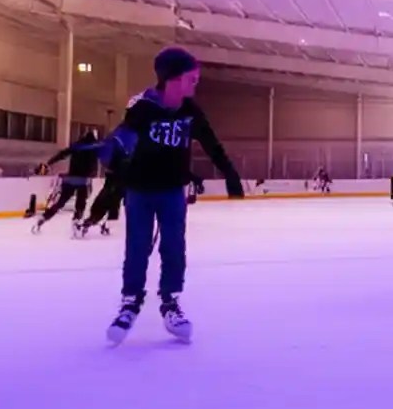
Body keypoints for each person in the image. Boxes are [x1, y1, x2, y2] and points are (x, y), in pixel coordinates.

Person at [103, 47, 244, 344]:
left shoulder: (190, 111)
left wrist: (230, 174)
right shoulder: (142, 109)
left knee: (174, 247)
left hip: (171, 192)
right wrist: (113, 156)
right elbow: (123, 140)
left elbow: (212, 144)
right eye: (191, 79)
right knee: (138, 247)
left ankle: (170, 302)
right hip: (139, 190)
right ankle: (130, 303)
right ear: (173, 79)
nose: (195, 84)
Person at [31, 129, 101, 235]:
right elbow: (96, 163)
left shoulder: (76, 146)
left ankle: (44, 217)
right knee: (80, 203)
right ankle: (76, 221)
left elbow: (62, 154)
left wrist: (49, 163)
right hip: (82, 180)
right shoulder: (94, 148)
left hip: (70, 179)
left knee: (61, 202)